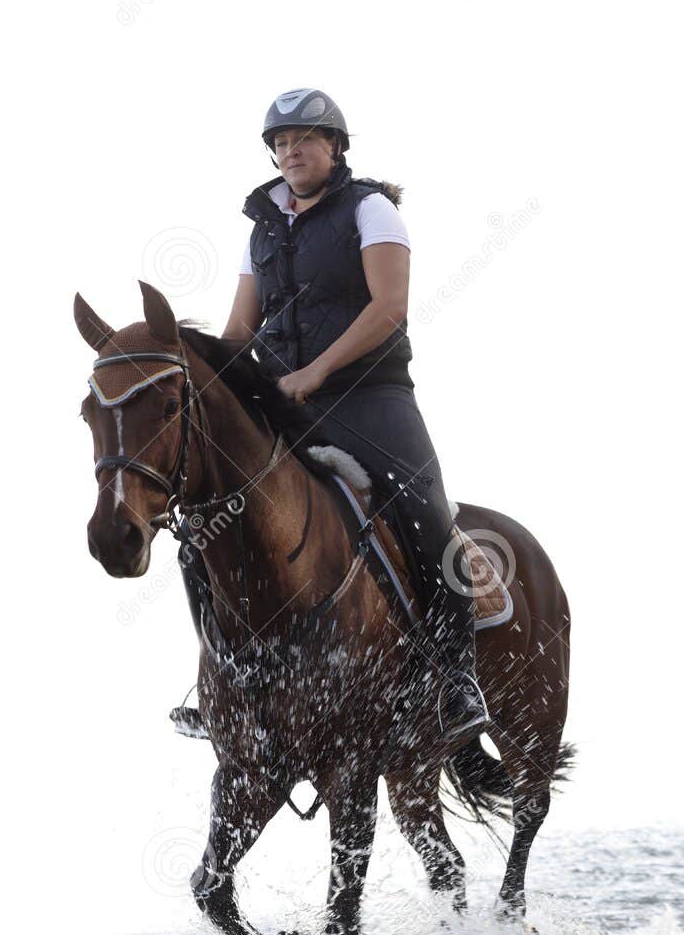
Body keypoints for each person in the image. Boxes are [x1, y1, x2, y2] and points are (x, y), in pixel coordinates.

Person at [171, 87, 489, 751]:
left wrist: (317, 372)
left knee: (427, 511)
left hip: (370, 395)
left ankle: (456, 678)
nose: (291, 151)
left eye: (304, 140)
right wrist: (194, 372)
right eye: (280, 144)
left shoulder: (369, 208)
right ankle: (225, 671)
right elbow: (238, 329)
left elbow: (388, 307)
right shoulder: (261, 228)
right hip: (283, 401)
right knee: (204, 521)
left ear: (334, 147)